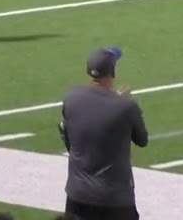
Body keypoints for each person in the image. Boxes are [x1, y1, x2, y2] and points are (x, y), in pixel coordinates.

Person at [59, 46, 148, 220]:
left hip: (77, 195)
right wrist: (119, 101)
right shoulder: (126, 106)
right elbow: (142, 139)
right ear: (112, 72)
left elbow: (71, 136)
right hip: (114, 199)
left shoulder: (71, 98)